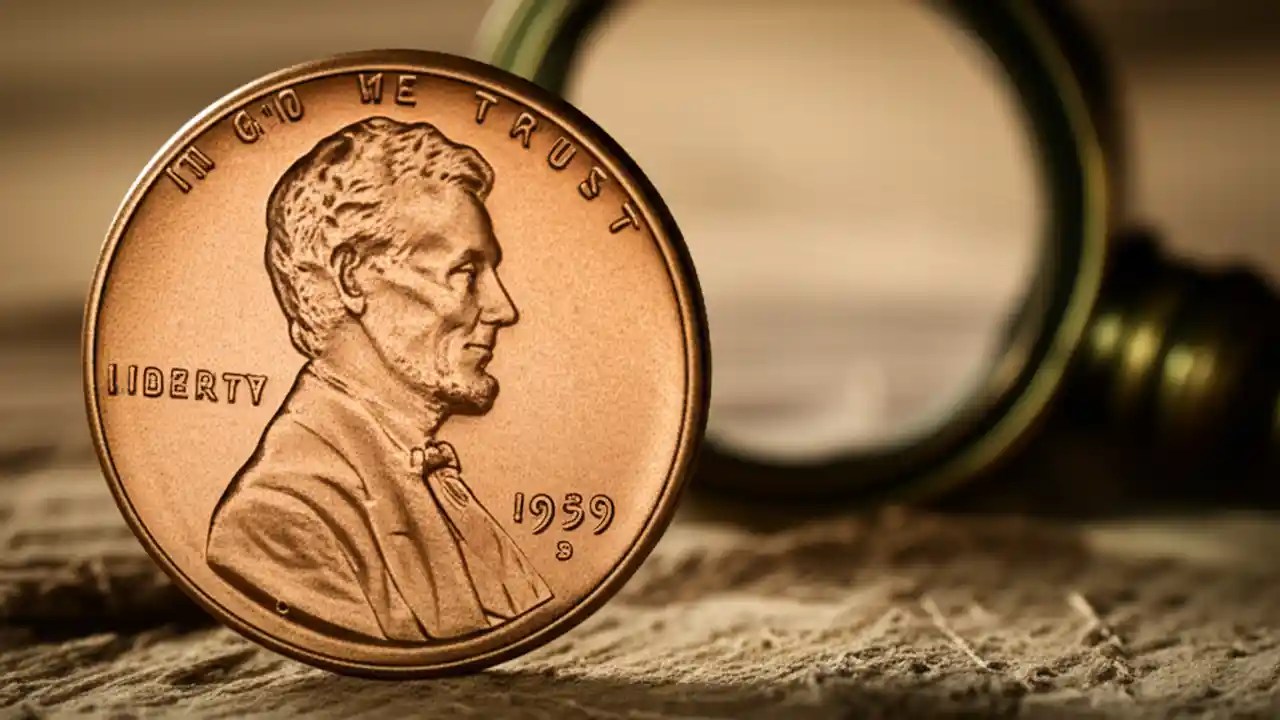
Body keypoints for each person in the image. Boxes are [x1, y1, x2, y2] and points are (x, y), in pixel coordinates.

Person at [206, 116, 552, 644]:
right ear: (352, 278)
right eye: (465, 273)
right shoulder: (277, 517)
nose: (503, 309)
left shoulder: (430, 477)